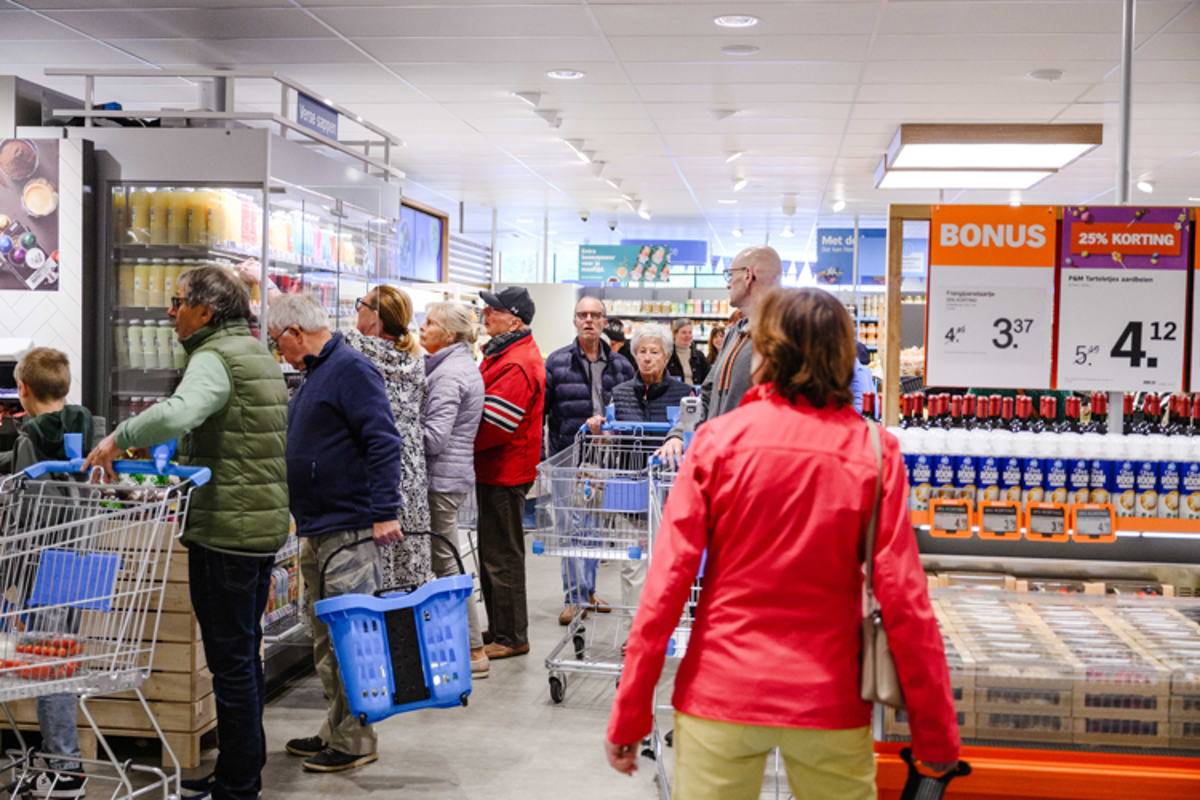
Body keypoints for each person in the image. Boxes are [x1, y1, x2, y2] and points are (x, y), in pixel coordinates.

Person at [606, 288, 960, 797]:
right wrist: (936, 731)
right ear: (843, 354)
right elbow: (905, 599)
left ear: (765, 352)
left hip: (720, 690)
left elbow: (666, 586)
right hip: (829, 699)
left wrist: (631, 710)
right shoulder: (874, 452)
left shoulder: (716, 442)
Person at [84, 266, 289, 800]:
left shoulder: (214, 356)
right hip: (252, 523)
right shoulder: (252, 351)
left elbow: (183, 412)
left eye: (177, 302)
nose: (170, 312)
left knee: (231, 661)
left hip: (228, 529)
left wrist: (119, 438)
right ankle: (238, 773)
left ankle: (239, 783)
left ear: (206, 311)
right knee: (242, 653)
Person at [270, 293, 403, 774]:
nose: (277, 351)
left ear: (295, 333)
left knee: (349, 637)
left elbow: (384, 440)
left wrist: (384, 510)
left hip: (349, 526)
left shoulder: (350, 369)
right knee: (324, 635)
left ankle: (355, 739)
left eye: (276, 341)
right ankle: (337, 727)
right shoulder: (318, 372)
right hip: (320, 525)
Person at [0, 348, 93, 799]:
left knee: (47, 666)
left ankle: (65, 767)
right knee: (59, 657)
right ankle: (60, 759)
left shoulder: (29, 439)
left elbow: (23, 513)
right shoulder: (89, 427)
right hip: (80, 559)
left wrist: (9, 577)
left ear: (23, 389)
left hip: (42, 560)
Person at [544, 296, 635, 625]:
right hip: (568, 456)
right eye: (582, 315)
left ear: (604, 321)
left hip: (605, 458)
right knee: (569, 529)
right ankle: (572, 597)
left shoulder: (622, 365)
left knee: (595, 528)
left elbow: (628, 407)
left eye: (595, 315)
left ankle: (589, 591)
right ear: (574, 320)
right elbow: (544, 412)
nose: (588, 320)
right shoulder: (556, 362)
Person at [659, 246, 783, 466]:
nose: (727, 283)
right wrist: (678, 434)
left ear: (748, 276)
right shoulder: (734, 333)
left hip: (756, 469)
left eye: (730, 275)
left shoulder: (785, 335)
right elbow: (706, 395)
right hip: (720, 464)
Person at [343, 286, 431, 593]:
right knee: (408, 552)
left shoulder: (355, 347)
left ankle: (373, 630)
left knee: (373, 558)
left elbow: (303, 331)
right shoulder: (416, 359)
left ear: (375, 316)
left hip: (376, 465)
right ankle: (406, 628)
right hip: (412, 469)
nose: (357, 310)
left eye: (361, 304)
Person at [474, 287, 545, 660]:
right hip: (497, 468)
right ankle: (502, 627)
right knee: (494, 552)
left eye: (494, 310)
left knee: (502, 556)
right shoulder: (506, 353)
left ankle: (513, 635)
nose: (486, 314)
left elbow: (497, 425)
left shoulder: (515, 363)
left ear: (514, 320)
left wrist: (460, 444)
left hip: (505, 469)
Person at [419, 302, 487, 677]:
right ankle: (467, 645)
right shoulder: (456, 366)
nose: (422, 328)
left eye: (430, 323)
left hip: (441, 479)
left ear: (449, 334)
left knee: (447, 565)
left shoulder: (448, 374)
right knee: (447, 561)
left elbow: (433, 438)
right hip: (451, 476)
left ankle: (472, 650)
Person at [607, 324, 692, 609]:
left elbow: (693, 432)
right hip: (631, 490)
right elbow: (611, 435)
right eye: (641, 351)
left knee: (668, 562)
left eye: (654, 352)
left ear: (666, 356)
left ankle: (664, 626)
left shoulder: (684, 393)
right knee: (633, 564)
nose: (646, 358)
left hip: (670, 492)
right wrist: (601, 429)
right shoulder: (620, 393)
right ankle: (635, 634)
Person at [665, 319, 709, 387]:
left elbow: (708, 378)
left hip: (695, 396)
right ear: (674, 334)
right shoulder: (667, 355)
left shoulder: (699, 356)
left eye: (690, 332)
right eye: (684, 332)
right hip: (674, 395)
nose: (687, 335)